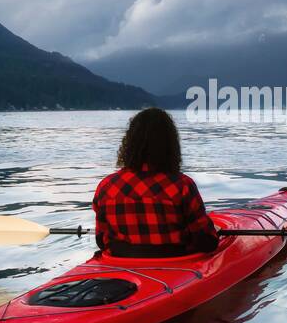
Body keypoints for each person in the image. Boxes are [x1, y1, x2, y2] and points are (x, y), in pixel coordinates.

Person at [92, 108, 220, 258]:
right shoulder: (182, 185)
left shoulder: (106, 186)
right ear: (169, 145)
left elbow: (101, 240)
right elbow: (207, 242)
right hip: (175, 262)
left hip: (122, 261)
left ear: (129, 143)